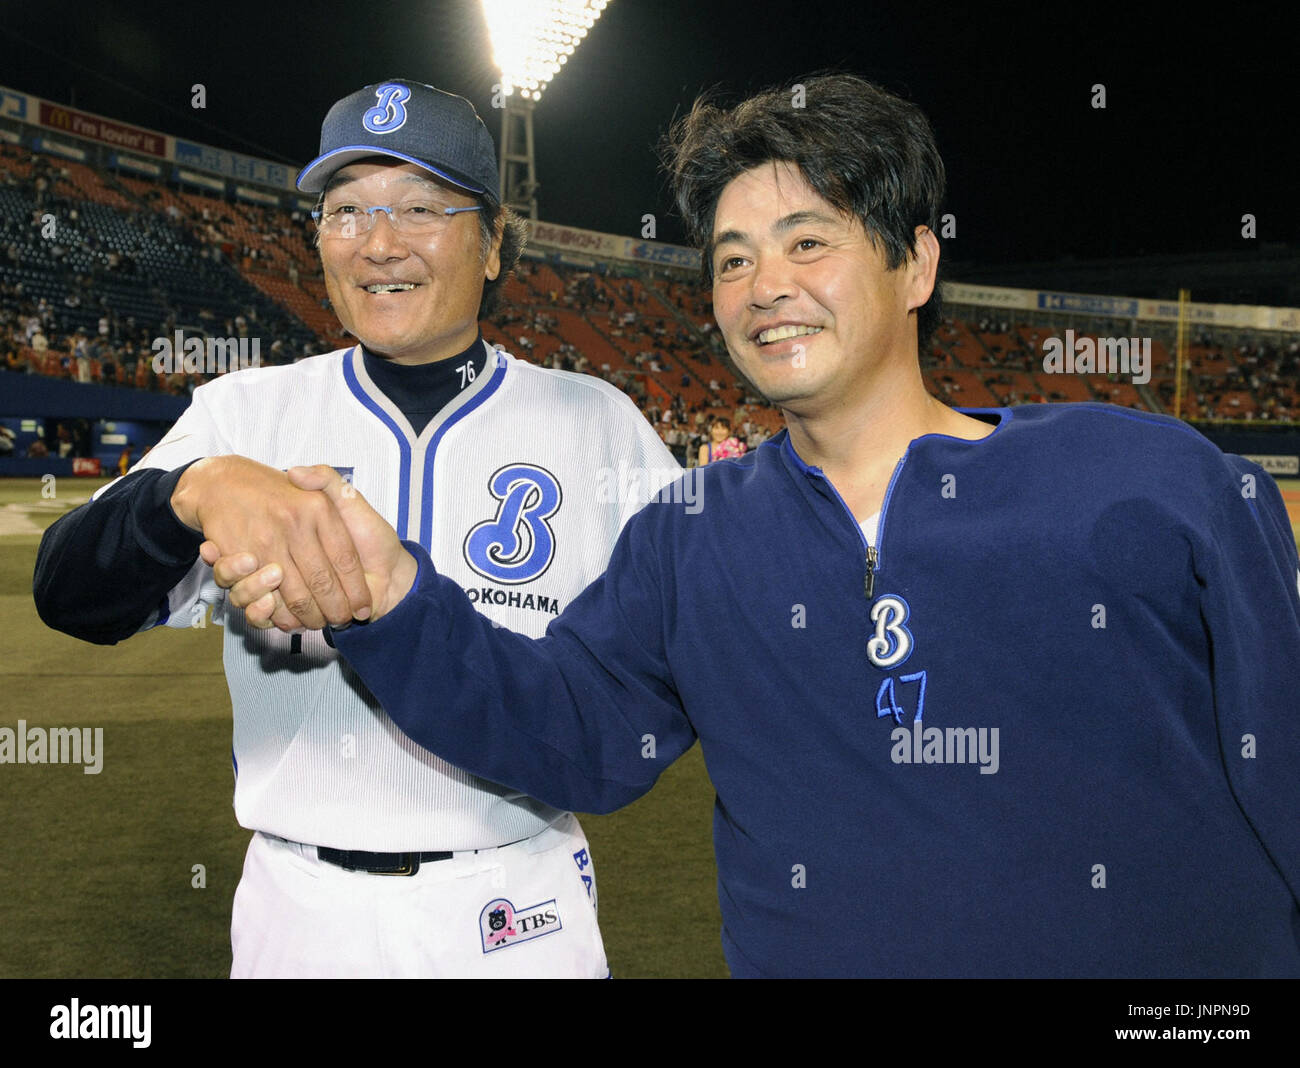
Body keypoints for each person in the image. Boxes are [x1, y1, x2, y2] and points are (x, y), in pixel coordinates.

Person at [210, 74, 1300, 978]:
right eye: (731, 259)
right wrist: (391, 601)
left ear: (915, 262)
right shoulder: (688, 538)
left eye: (806, 241)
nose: (762, 286)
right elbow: (573, 738)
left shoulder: (1147, 478)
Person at [33, 79, 678, 978]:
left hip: (516, 901)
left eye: (421, 206)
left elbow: (678, 672)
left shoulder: (598, 422)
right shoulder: (243, 414)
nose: (379, 244)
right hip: (299, 908)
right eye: (346, 212)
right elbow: (69, 594)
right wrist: (187, 491)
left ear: (493, 242)